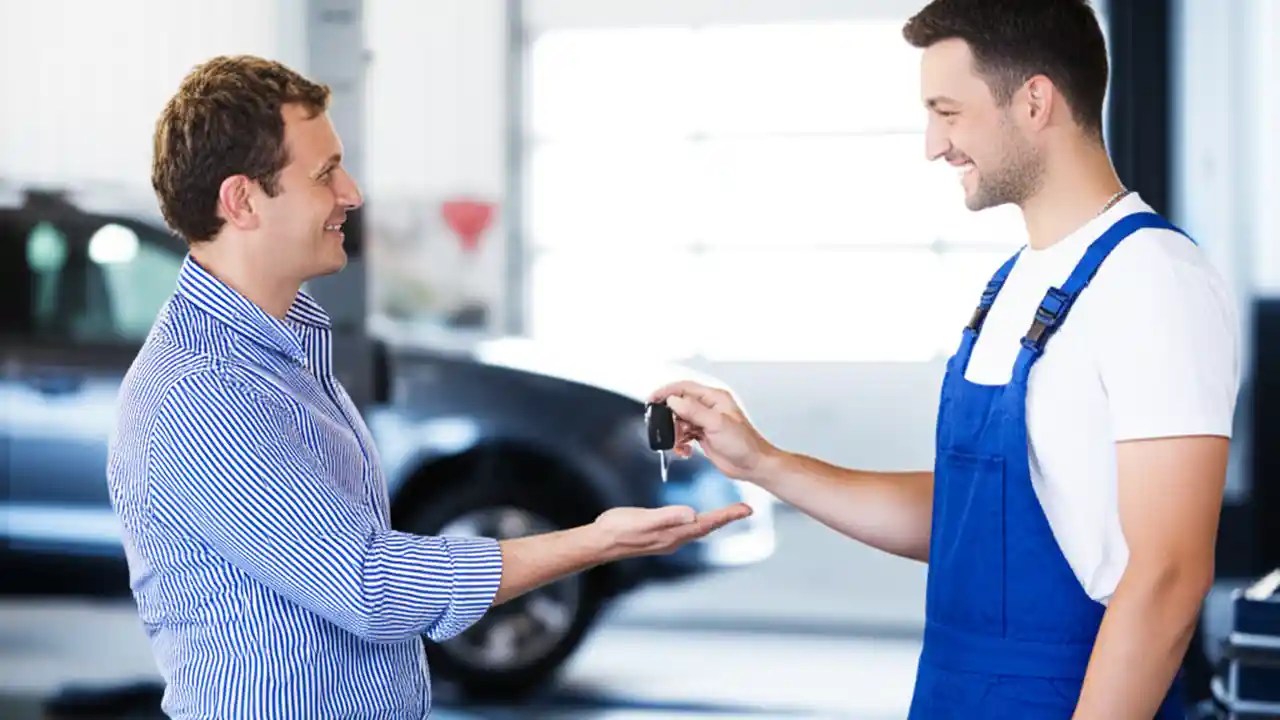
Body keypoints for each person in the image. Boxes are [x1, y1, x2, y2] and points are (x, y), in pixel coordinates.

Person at [105, 54, 751, 720]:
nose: (351, 193)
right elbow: (370, 585)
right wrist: (597, 540)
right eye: (325, 173)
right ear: (241, 200)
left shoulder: (281, 351)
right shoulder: (206, 390)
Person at [651, 1, 1239, 717]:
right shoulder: (1016, 284)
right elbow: (965, 518)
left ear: (1033, 100)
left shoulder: (1151, 279)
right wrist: (765, 462)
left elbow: (1170, 577)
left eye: (948, 111)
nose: (934, 145)